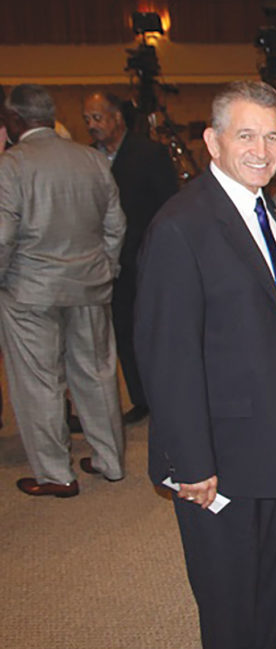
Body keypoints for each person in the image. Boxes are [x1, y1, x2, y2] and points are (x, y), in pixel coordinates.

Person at [134, 80, 276, 649]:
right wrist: (190, 462)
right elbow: (166, 356)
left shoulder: (263, 206)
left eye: (272, 136)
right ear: (212, 142)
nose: (261, 150)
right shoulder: (181, 226)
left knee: (271, 588)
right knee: (231, 604)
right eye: (245, 136)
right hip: (220, 457)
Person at [0, 84, 125, 498]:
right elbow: (115, 225)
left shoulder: (12, 165)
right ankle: (110, 460)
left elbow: (3, 236)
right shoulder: (91, 159)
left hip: (30, 291)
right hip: (90, 284)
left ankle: (56, 473)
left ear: (15, 120)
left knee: (40, 382)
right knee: (97, 375)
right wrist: (105, 268)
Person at [82, 91, 179, 425]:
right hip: (106, 261)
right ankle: (140, 398)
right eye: (87, 120)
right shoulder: (88, 158)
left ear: (117, 118)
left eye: (97, 117)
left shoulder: (148, 154)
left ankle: (166, 394)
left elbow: (169, 206)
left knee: (156, 330)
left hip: (145, 256)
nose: (92, 125)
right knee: (122, 332)